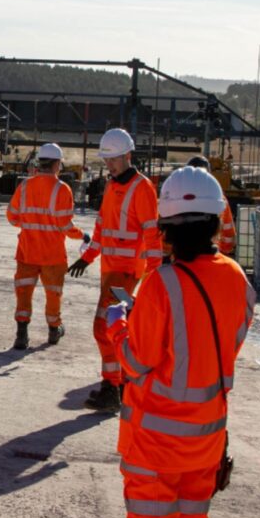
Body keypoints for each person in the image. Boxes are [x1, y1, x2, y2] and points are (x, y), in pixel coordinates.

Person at [100, 165, 256, 518]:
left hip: (154, 445)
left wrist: (118, 324)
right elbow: (227, 344)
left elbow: (137, 361)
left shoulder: (160, 284)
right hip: (206, 441)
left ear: (165, 228)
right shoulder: (236, 279)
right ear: (215, 223)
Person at [67, 128, 161, 411]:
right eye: (106, 160)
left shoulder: (142, 188)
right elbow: (102, 227)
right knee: (112, 327)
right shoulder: (111, 186)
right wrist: (89, 256)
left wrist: (156, 277)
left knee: (104, 327)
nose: (109, 164)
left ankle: (114, 386)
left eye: (114, 159)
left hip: (126, 272)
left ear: (128, 156)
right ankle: (118, 386)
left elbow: (152, 235)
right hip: (110, 271)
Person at [6, 142, 82, 349]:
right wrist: (83, 236)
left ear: (40, 163)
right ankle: (53, 330)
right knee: (53, 293)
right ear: (57, 164)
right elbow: (66, 226)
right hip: (52, 255)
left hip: (27, 252)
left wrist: (31, 226)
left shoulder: (24, 186)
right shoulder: (62, 190)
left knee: (23, 293)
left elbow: (12, 218)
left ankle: (21, 336)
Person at [187, 154, 236, 257]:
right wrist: (224, 251)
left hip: (183, 256)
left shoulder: (178, 196)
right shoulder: (220, 197)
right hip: (211, 255)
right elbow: (228, 233)